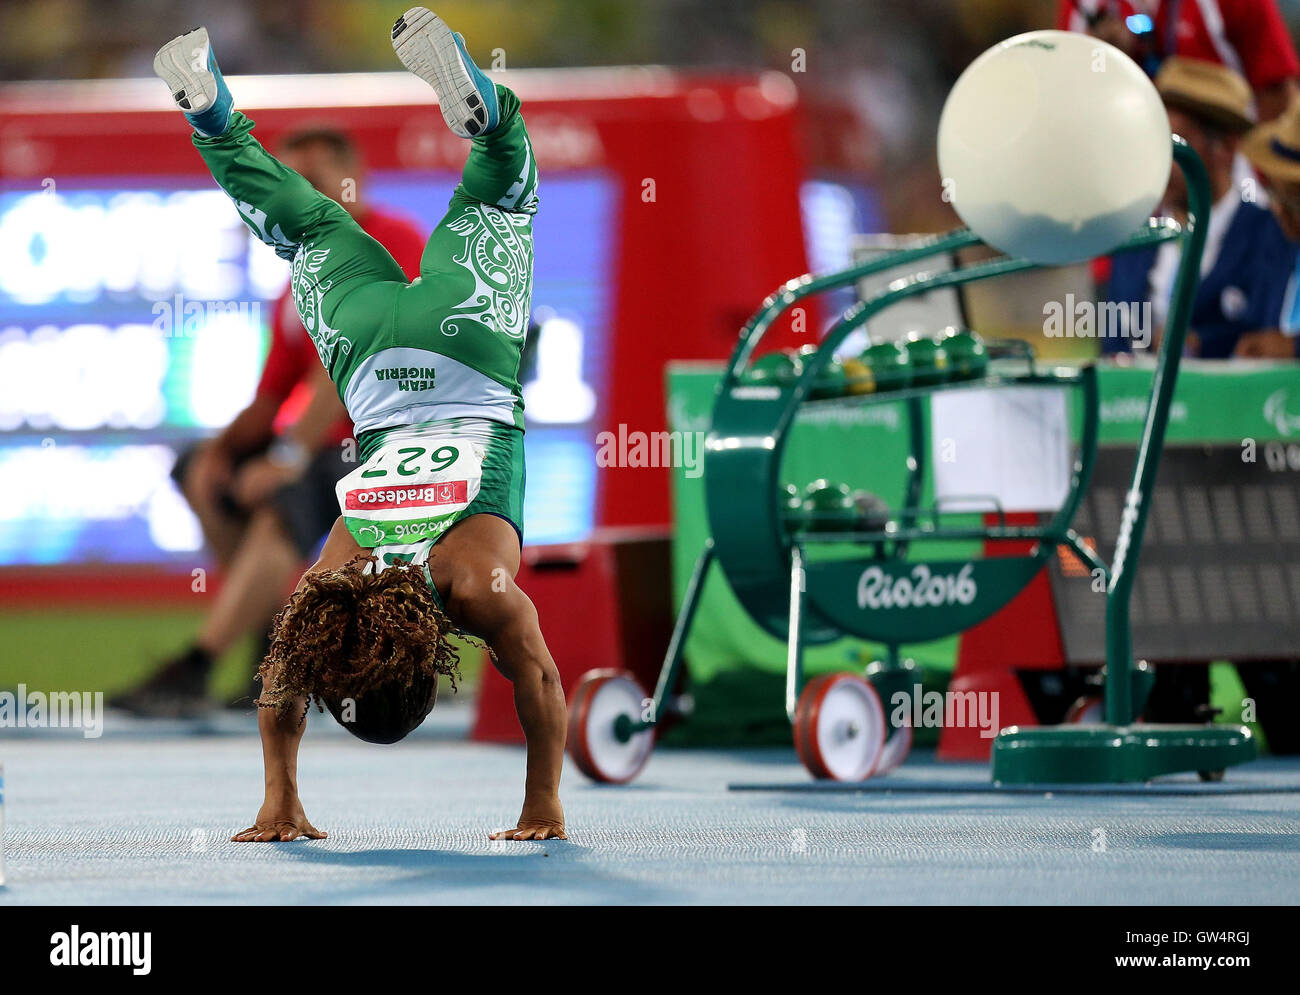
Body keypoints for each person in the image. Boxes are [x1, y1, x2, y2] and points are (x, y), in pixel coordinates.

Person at [152, 7, 566, 841]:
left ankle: (485, 116)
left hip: (467, 345)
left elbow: (543, 683)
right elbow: (281, 677)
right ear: (356, 656)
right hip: (371, 355)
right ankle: (210, 115)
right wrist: (279, 796)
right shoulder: (331, 594)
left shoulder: (474, 589)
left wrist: (543, 805)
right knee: (306, 227)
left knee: (503, 172)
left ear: (426, 667)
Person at [111, 128, 426, 717]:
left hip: (384, 447)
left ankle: (198, 665)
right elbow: (268, 397)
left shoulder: (390, 243)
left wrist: (285, 458)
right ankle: (273, 638)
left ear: (355, 177)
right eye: (293, 182)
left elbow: (348, 370)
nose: (301, 194)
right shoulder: (299, 278)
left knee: (289, 494)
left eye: (315, 180)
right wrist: (220, 455)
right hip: (325, 445)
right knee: (198, 469)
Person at [1101, 57, 1297, 358]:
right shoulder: (1135, 240)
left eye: (1177, 143)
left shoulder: (1273, 233)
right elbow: (1110, 344)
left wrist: (1198, 344)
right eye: (1154, 142)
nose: (1161, 160)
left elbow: (1264, 343)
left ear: (1226, 149)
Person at [1059, 0, 1300, 122]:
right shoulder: (1085, 8)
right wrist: (1101, 59)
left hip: (1227, 172)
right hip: (1125, 166)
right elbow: (1067, 102)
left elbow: (1280, 95)